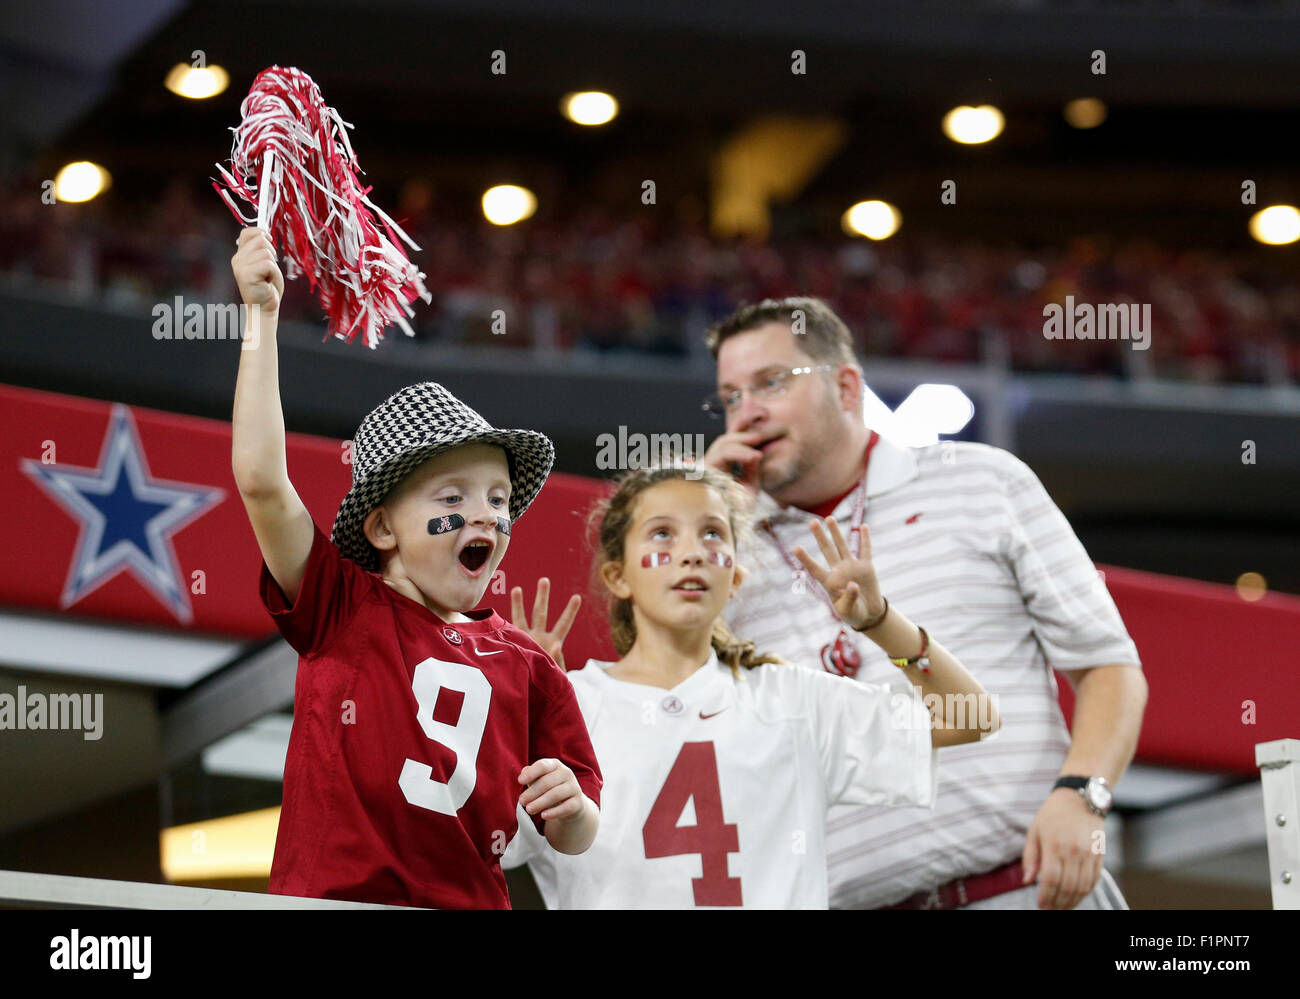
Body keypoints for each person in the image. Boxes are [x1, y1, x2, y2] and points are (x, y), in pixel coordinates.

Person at [697, 296, 1147, 910]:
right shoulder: (724, 558)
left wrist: (1083, 793)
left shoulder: (984, 480)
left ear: (847, 385)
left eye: (771, 383)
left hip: (1025, 890)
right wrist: (708, 523)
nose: (745, 414)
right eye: (729, 398)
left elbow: (1108, 666)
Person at [229, 226, 602, 908]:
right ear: (381, 527)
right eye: (452, 497)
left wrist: (573, 808)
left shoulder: (531, 665)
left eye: (497, 498)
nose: (486, 514)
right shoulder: (341, 606)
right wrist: (260, 317)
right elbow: (260, 480)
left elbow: (575, 832)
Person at [503, 463, 999, 908]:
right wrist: (515, 709)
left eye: (713, 534)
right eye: (662, 534)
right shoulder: (573, 707)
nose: (693, 553)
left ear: (736, 578)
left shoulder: (791, 698)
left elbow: (971, 717)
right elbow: (483, 840)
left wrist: (882, 624)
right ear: (617, 575)